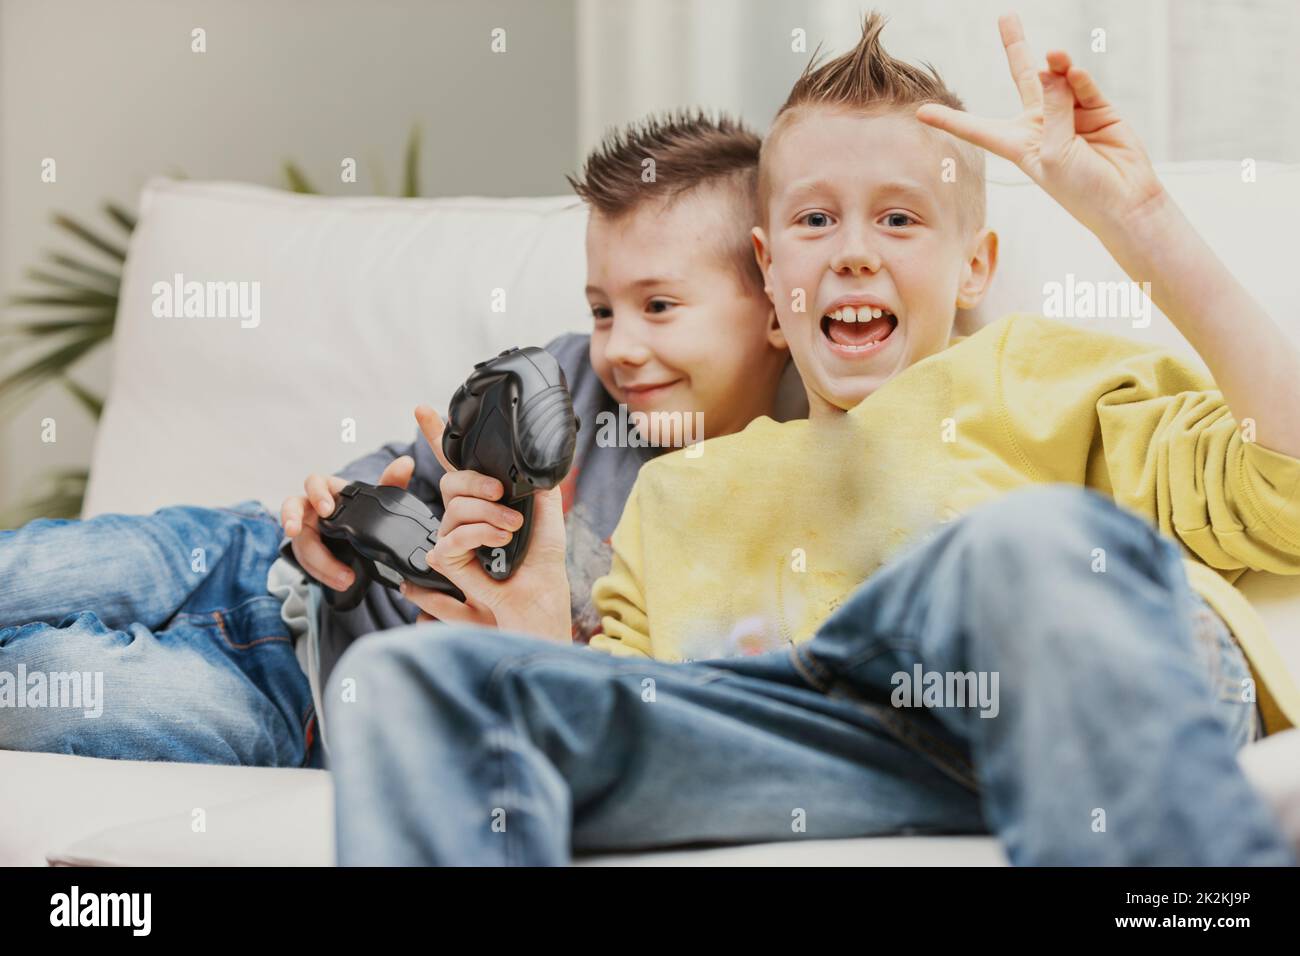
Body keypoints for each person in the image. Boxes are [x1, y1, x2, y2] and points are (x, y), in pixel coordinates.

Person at [327, 12, 1300, 865]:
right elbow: (639, 718)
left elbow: (1286, 484)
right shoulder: (679, 496)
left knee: (1020, 546)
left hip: (1078, 693)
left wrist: (1138, 220)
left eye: (899, 217)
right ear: (768, 279)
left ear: (974, 266)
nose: (853, 249)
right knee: (404, 681)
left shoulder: (1037, 371)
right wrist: (539, 626)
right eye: (815, 218)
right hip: (833, 747)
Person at [0, 111, 803, 767]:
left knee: (57, 684)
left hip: (307, 708)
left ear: (774, 303)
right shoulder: (564, 381)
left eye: (658, 307)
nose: (620, 345)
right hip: (241, 557)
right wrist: (327, 514)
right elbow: (396, 473)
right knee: (34, 572)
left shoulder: (765, 524)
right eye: (602, 309)